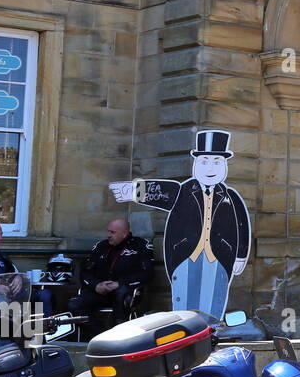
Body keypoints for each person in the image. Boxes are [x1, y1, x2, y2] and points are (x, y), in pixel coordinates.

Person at [110, 130, 251, 319]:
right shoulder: (183, 190)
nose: (210, 168)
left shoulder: (230, 196)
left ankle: (211, 331)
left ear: (224, 165)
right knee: (184, 301)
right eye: (204, 162)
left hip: (220, 257)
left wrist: (240, 255)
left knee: (214, 299)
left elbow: (242, 225)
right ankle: (185, 330)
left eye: (217, 162)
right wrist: (131, 191)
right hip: (185, 254)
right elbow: (162, 192)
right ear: (196, 163)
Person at [69, 218, 154, 336]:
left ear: (124, 234)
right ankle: (101, 334)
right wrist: (96, 285)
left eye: (112, 232)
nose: (108, 235)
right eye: (108, 231)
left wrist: (119, 283)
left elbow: (147, 274)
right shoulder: (101, 246)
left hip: (126, 292)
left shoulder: (140, 246)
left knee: (121, 293)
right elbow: (85, 272)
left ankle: (119, 334)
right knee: (74, 305)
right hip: (101, 292)